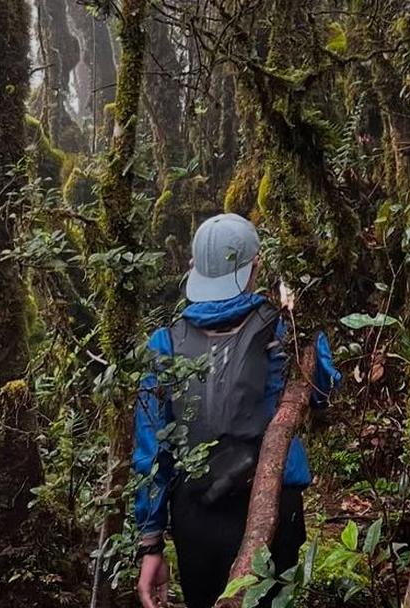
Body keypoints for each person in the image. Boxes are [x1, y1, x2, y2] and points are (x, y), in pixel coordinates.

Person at [132, 213, 340, 608]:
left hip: (197, 517)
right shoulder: (286, 328)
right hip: (274, 503)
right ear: (255, 265)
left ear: (194, 268)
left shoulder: (164, 344)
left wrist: (151, 543)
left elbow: (151, 453)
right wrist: (307, 325)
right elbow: (322, 392)